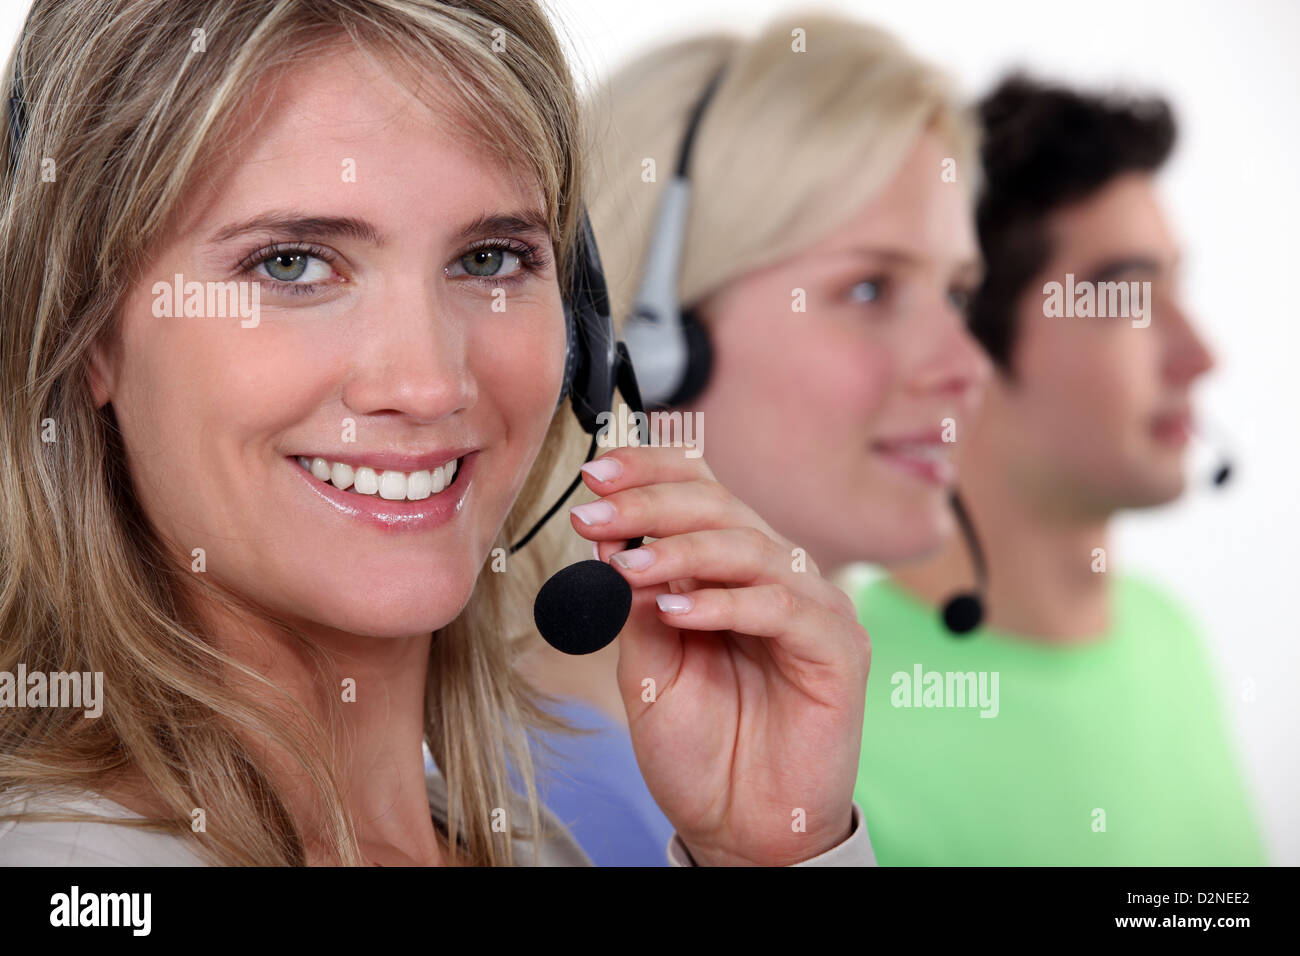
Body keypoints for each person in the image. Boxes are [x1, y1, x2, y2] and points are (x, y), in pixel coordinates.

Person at [0, 0, 872, 867]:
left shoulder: (530, 847)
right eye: (292, 263)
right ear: (87, 333)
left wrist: (768, 854)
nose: (427, 383)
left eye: (489, 259)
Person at [518, 12, 990, 864]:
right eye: (872, 289)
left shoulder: (810, 767)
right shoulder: (537, 811)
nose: (966, 367)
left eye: (956, 295)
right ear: (650, 342)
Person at [851, 74, 1267, 865]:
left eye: (1179, 289)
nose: (1201, 354)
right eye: (1131, 298)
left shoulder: (1169, 637)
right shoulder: (825, 708)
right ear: (963, 339)